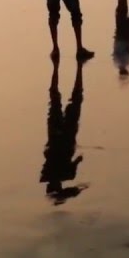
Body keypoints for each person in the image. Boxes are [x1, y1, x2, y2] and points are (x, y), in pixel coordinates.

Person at [40, 56, 86, 204]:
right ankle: (73, 71)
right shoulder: (47, 175)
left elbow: (77, 161)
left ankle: (76, 71)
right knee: (55, 102)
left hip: (65, 139)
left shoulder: (64, 175)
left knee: (72, 101)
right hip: (56, 138)